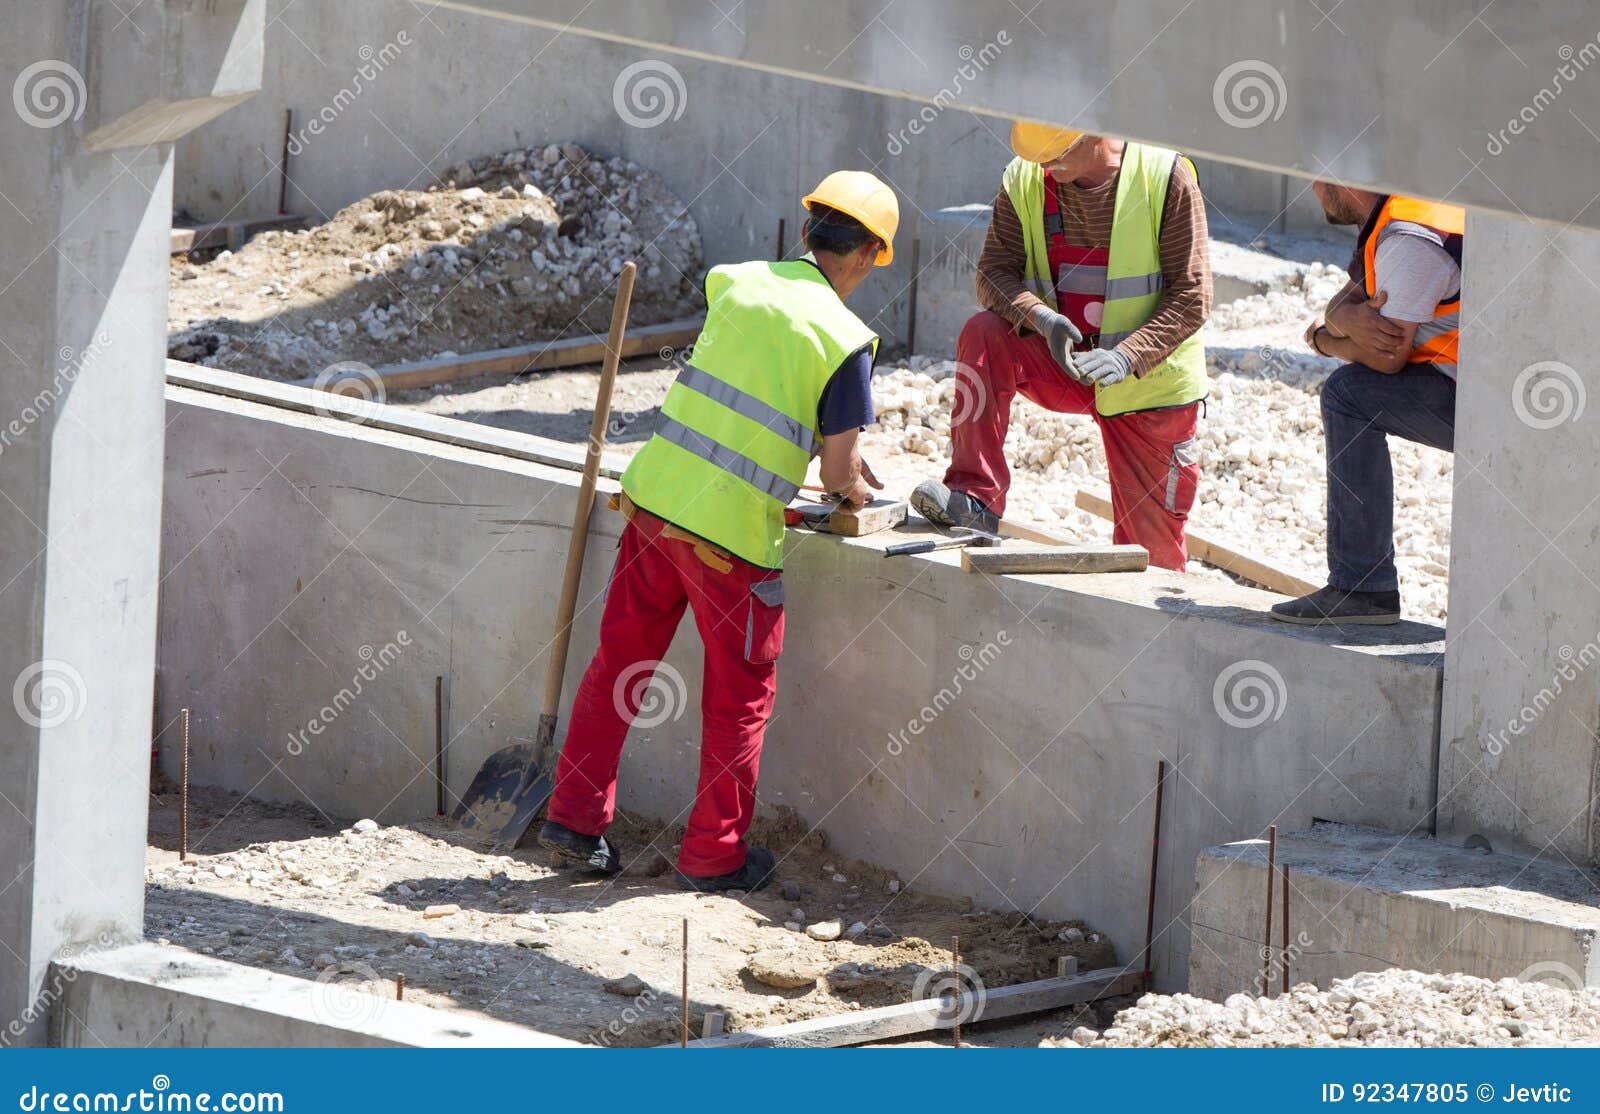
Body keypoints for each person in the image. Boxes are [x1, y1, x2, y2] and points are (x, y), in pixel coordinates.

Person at [536, 172, 898, 892]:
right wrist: (857, 484)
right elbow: (837, 476)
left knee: (619, 667)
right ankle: (713, 857)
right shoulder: (846, 339)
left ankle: (574, 824)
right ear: (865, 257)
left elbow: (742, 391)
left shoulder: (735, 282)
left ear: (804, 234)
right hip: (729, 542)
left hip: (655, 506)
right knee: (738, 701)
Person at [911, 120, 1211, 571]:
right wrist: (1042, 319)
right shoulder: (1026, 176)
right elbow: (992, 274)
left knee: (1150, 558)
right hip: (1065, 363)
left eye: (1055, 157)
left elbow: (1193, 297)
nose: (1044, 167)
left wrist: (1127, 356)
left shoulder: (1166, 178)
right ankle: (975, 500)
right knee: (985, 332)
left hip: (1148, 388)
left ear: (1093, 134)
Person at [1269, 181, 1463, 626]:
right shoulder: (1408, 208)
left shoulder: (1409, 239)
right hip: (1477, 379)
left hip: (1487, 401)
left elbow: (1385, 357)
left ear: (1344, 182)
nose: (1313, 191)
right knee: (1351, 387)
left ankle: (1363, 590)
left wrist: (1324, 340)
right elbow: (1347, 298)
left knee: (1347, 395)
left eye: (1317, 181)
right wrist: (1343, 317)